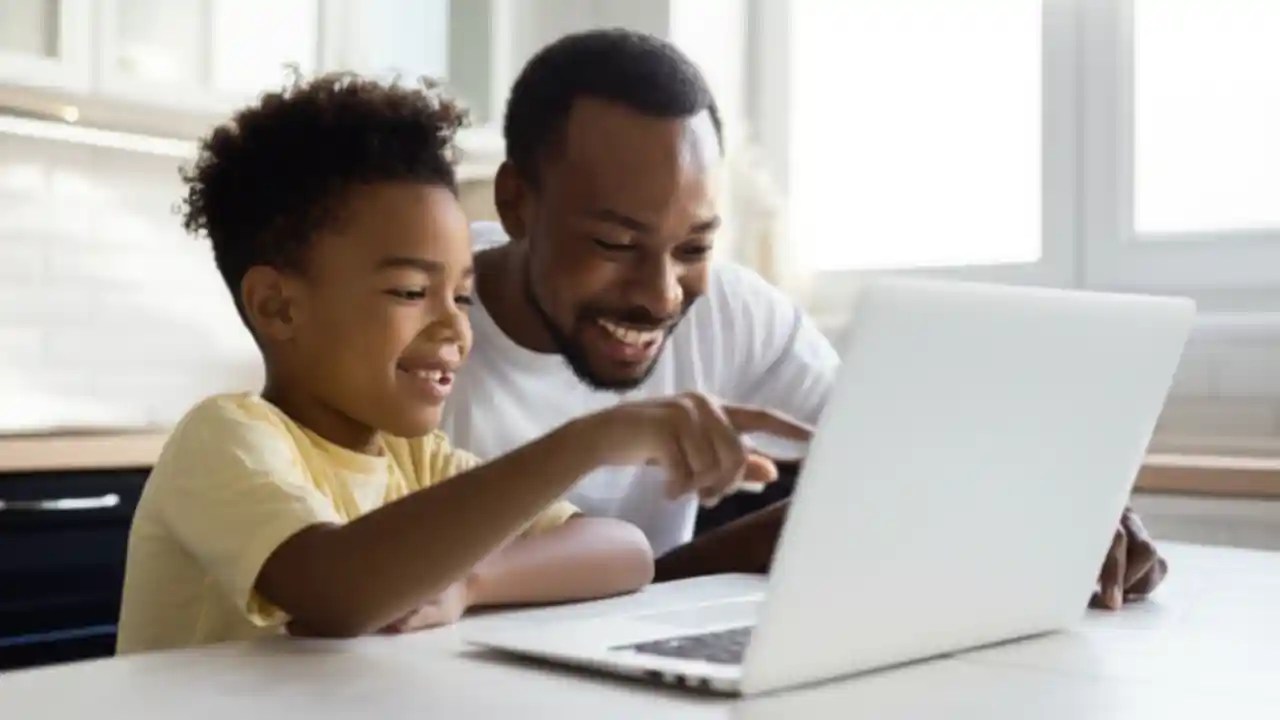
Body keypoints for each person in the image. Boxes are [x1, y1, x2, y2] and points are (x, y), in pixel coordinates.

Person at [441, 28, 1167, 611]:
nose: (660, 296)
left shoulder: (733, 311)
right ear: (516, 204)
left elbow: (902, 458)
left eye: (693, 246)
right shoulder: (418, 330)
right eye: (614, 245)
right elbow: (414, 594)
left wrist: (1066, 508)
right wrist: (757, 545)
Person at [117, 73, 810, 654]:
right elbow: (337, 593)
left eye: (463, 293)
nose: (455, 324)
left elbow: (623, 552)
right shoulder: (227, 439)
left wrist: (471, 582)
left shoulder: (414, 461)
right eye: (412, 293)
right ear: (278, 308)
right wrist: (593, 441)